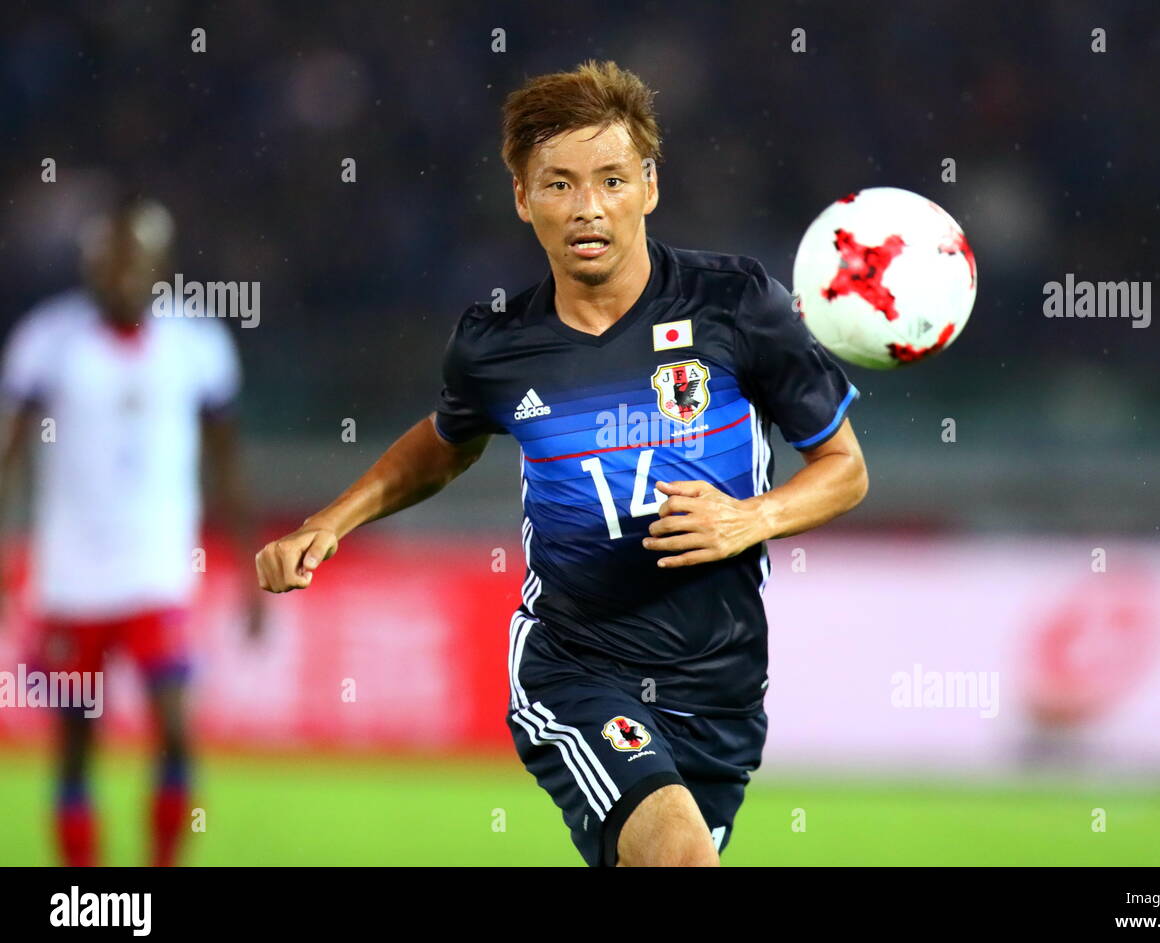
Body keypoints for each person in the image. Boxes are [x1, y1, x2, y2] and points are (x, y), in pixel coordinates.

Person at [255, 60, 867, 866]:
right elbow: (446, 444)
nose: (587, 208)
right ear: (522, 198)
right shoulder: (497, 342)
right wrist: (332, 521)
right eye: (559, 184)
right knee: (680, 856)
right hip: (576, 666)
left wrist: (750, 518)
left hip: (720, 688)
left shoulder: (736, 304)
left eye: (611, 179)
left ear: (649, 185)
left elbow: (845, 469)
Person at [0, 197, 261, 866]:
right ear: (89, 264)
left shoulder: (198, 346)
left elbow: (226, 465)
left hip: (157, 576)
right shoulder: (47, 341)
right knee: (75, 748)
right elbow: (9, 457)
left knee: (175, 735)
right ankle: (88, 893)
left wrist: (252, 576)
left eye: (133, 261)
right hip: (69, 584)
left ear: (159, 266)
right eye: (107, 260)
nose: (119, 274)